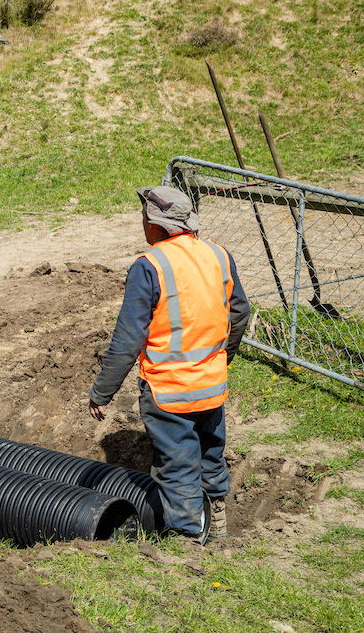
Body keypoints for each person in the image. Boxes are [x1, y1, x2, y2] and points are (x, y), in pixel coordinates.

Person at [87, 185, 249, 543]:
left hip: (168, 389)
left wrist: (102, 393)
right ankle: (216, 519)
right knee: (209, 450)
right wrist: (221, 359)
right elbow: (239, 314)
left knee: (176, 464)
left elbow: (128, 338)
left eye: (144, 219)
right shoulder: (218, 255)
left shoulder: (150, 266)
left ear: (157, 227)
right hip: (211, 382)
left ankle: (190, 537)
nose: (142, 225)